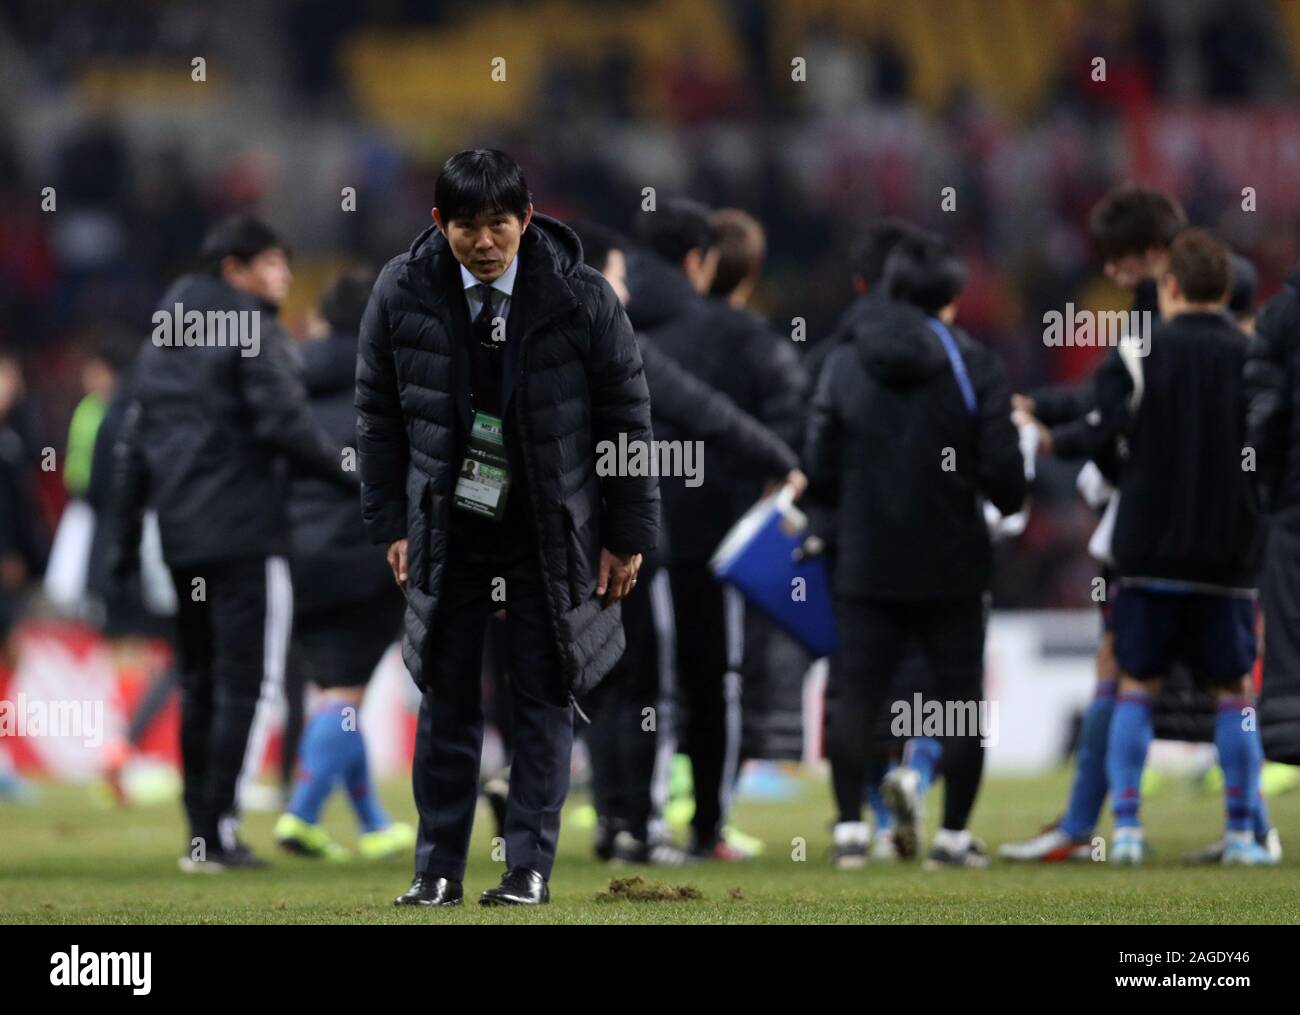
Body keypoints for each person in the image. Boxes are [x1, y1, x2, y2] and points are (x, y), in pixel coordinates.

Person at [357, 149, 657, 907]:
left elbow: (627, 417)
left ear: (527, 219)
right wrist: (390, 520)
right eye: (467, 226)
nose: (485, 242)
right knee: (446, 696)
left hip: (546, 530)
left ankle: (527, 868)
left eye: (499, 223)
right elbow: (379, 414)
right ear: (439, 224)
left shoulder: (583, 296)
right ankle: (436, 871)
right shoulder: (400, 289)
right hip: (449, 527)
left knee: (544, 694)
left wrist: (627, 531)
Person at [109, 216, 356, 871]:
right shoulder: (256, 329)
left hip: (182, 536)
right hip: (247, 533)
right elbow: (286, 426)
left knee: (199, 683)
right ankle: (220, 831)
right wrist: (355, 476)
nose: (282, 276)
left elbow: (135, 444)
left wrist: (125, 543)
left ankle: (200, 835)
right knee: (249, 684)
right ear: (234, 269)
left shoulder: (163, 337)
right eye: (272, 263)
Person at [568, 218, 803, 865]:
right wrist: (781, 458)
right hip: (640, 540)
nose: (627, 287)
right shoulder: (625, 344)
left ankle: (613, 822)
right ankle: (651, 828)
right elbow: (704, 409)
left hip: (564, 541)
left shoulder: (538, 348)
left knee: (603, 684)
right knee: (653, 685)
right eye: (616, 276)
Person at [804, 230, 1026, 869]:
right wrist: (999, 503)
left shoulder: (847, 360)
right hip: (953, 563)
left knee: (855, 694)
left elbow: (819, 465)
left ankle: (850, 829)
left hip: (866, 560)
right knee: (958, 702)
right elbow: (1005, 476)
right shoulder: (974, 362)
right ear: (954, 293)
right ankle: (953, 837)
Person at [1000, 184, 1186, 862]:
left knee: (1125, 665)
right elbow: (1106, 395)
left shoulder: (1168, 323)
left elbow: (1115, 413)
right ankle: (1250, 826)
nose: (1110, 272)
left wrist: (1053, 436)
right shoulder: (1182, 311)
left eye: (1120, 259)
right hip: (1212, 526)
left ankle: (1094, 826)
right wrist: (1044, 406)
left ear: (1157, 252)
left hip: (1152, 522)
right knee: (1226, 679)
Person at [1071, 229, 1269, 865]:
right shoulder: (1255, 357)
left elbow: (1104, 438)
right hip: (1229, 557)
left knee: (1137, 683)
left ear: (1172, 286)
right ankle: (1242, 835)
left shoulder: (1137, 351)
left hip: (1148, 553)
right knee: (1234, 692)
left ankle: (1126, 831)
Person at [273, 268, 415, 862]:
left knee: (336, 692)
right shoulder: (388, 384)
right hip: (364, 558)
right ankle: (301, 815)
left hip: (294, 561)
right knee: (345, 696)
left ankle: (374, 823)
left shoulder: (286, 381)